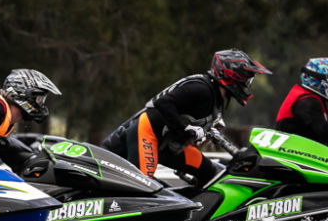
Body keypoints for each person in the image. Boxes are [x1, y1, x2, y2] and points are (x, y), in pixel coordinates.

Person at [101, 49, 271, 182]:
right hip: (148, 132)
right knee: (145, 184)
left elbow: (206, 132)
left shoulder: (217, 98)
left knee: (210, 173)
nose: (248, 84)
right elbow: (162, 103)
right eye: (246, 78)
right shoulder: (202, 88)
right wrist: (185, 128)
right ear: (232, 76)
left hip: (168, 145)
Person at [275, 57, 328, 144]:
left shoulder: (310, 98)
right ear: (318, 80)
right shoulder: (309, 102)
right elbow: (324, 134)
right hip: (293, 152)